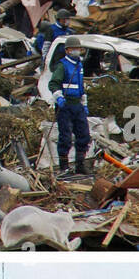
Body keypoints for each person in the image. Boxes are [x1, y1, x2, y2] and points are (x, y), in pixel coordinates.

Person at [49, 35, 91, 176]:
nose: (76, 51)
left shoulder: (79, 65)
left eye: (78, 49)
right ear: (67, 50)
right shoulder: (62, 65)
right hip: (65, 106)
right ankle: (64, 167)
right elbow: (53, 83)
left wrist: (84, 104)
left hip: (77, 105)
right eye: (74, 49)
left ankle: (80, 164)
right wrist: (59, 98)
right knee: (65, 137)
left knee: (83, 134)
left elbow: (81, 86)